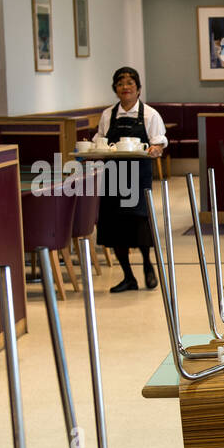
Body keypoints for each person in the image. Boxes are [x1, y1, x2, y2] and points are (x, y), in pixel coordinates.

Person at [94, 66, 167, 292]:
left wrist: (155, 149)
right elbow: (100, 140)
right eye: (120, 84)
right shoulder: (108, 115)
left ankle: (147, 264)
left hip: (138, 176)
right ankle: (128, 276)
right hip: (113, 176)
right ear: (115, 89)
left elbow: (159, 141)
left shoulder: (149, 114)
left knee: (139, 223)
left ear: (138, 89)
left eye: (130, 83)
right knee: (115, 227)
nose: (125, 87)